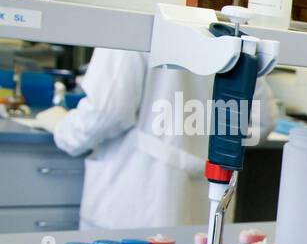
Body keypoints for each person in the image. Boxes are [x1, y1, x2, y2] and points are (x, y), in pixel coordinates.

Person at [46, 48, 277, 230]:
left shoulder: (134, 10)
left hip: (134, 204)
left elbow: (107, 111)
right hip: (205, 207)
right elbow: (261, 120)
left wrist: (62, 128)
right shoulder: (225, 25)